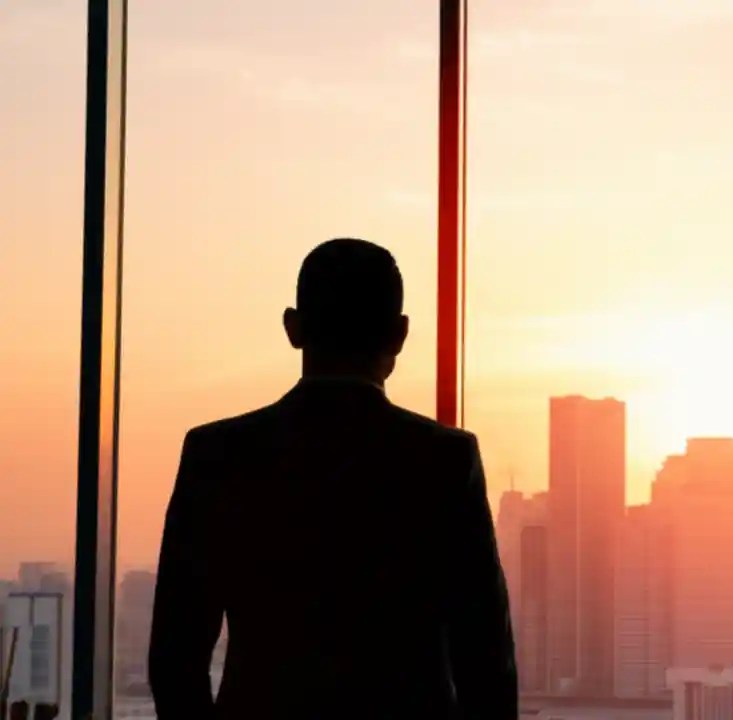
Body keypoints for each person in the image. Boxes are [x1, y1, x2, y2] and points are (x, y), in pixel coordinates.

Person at [149, 238, 516, 719]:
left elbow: (177, 653)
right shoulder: (444, 460)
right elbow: (484, 656)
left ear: (293, 327)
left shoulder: (218, 454)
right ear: (399, 335)